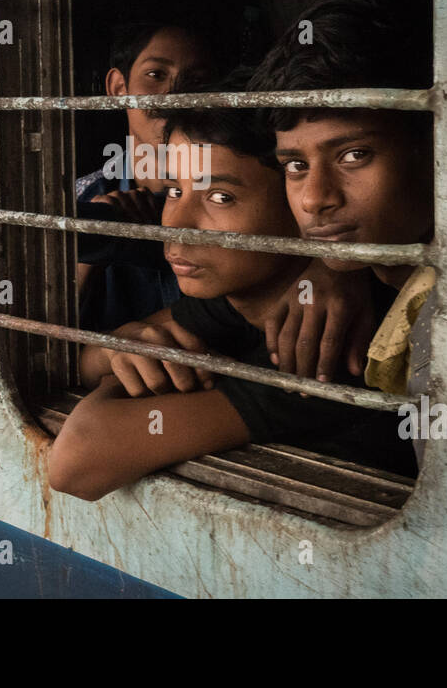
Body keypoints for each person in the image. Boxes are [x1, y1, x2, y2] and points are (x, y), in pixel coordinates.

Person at [48, 78, 414, 501]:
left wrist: (132, 379)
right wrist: (119, 352)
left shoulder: (332, 345)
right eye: (174, 191)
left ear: (296, 204)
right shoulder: (242, 304)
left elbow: (75, 464)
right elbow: (90, 358)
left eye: (221, 197)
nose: (177, 223)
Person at [247, 0, 436, 459]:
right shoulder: (376, 284)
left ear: (432, 148)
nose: (314, 199)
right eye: (295, 165)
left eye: (354, 155)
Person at [74, 20, 215, 332]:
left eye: (194, 81)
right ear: (118, 88)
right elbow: (43, 339)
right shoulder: (80, 197)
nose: (173, 94)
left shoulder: (226, 197)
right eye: (156, 75)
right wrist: (93, 241)